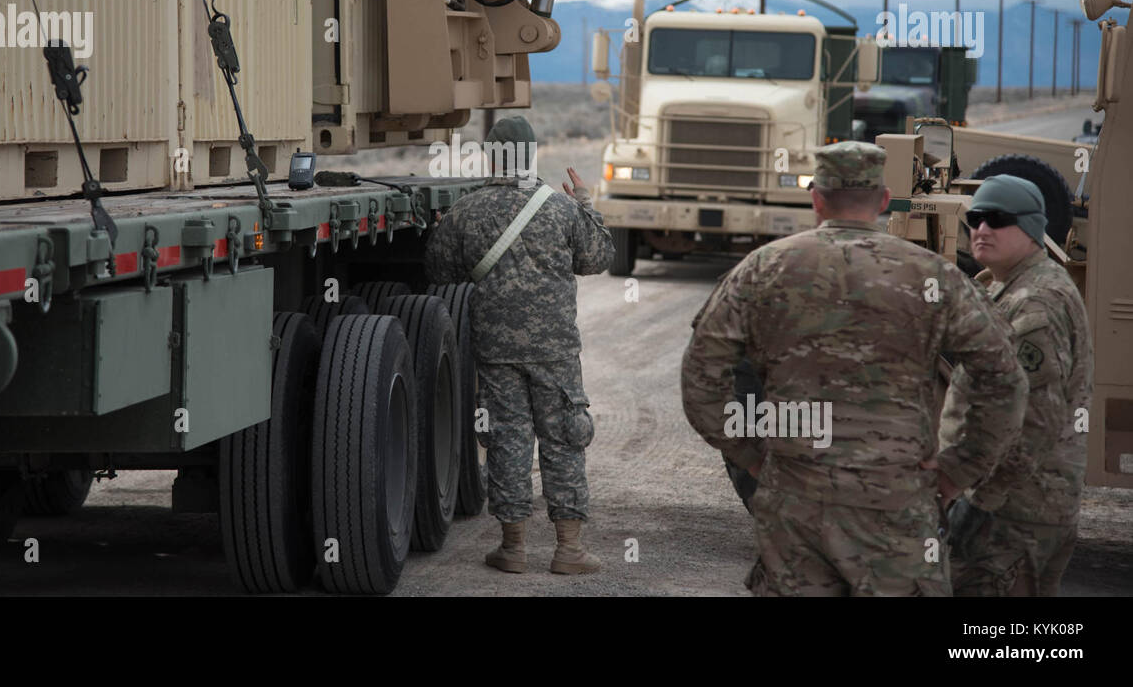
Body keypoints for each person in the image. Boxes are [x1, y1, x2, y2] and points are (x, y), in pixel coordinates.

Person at [681, 141, 1027, 596]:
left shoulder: (762, 269)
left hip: (793, 504)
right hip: (896, 503)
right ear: (884, 200)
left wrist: (752, 456)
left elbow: (701, 378)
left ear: (816, 198)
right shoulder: (932, 276)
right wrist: (957, 470)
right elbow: (1004, 380)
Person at [424, 116, 614, 574]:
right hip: (556, 351)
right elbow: (600, 257)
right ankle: (568, 550)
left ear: (490, 156)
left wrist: (444, 229)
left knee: (507, 441)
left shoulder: (467, 211)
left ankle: (513, 548)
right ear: (531, 156)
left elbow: (438, 271)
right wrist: (586, 203)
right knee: (565, 438)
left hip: (497, 350)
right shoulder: (562, 210)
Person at [941, 175, 1094, 596]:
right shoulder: (1006, 287)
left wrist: (978, 501)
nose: (982, 229)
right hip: (1008, 507)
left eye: (998, 219)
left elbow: (1033, 422)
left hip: (1014, 515)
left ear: (1030, 228)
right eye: (976, 218)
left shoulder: (1037, 303)